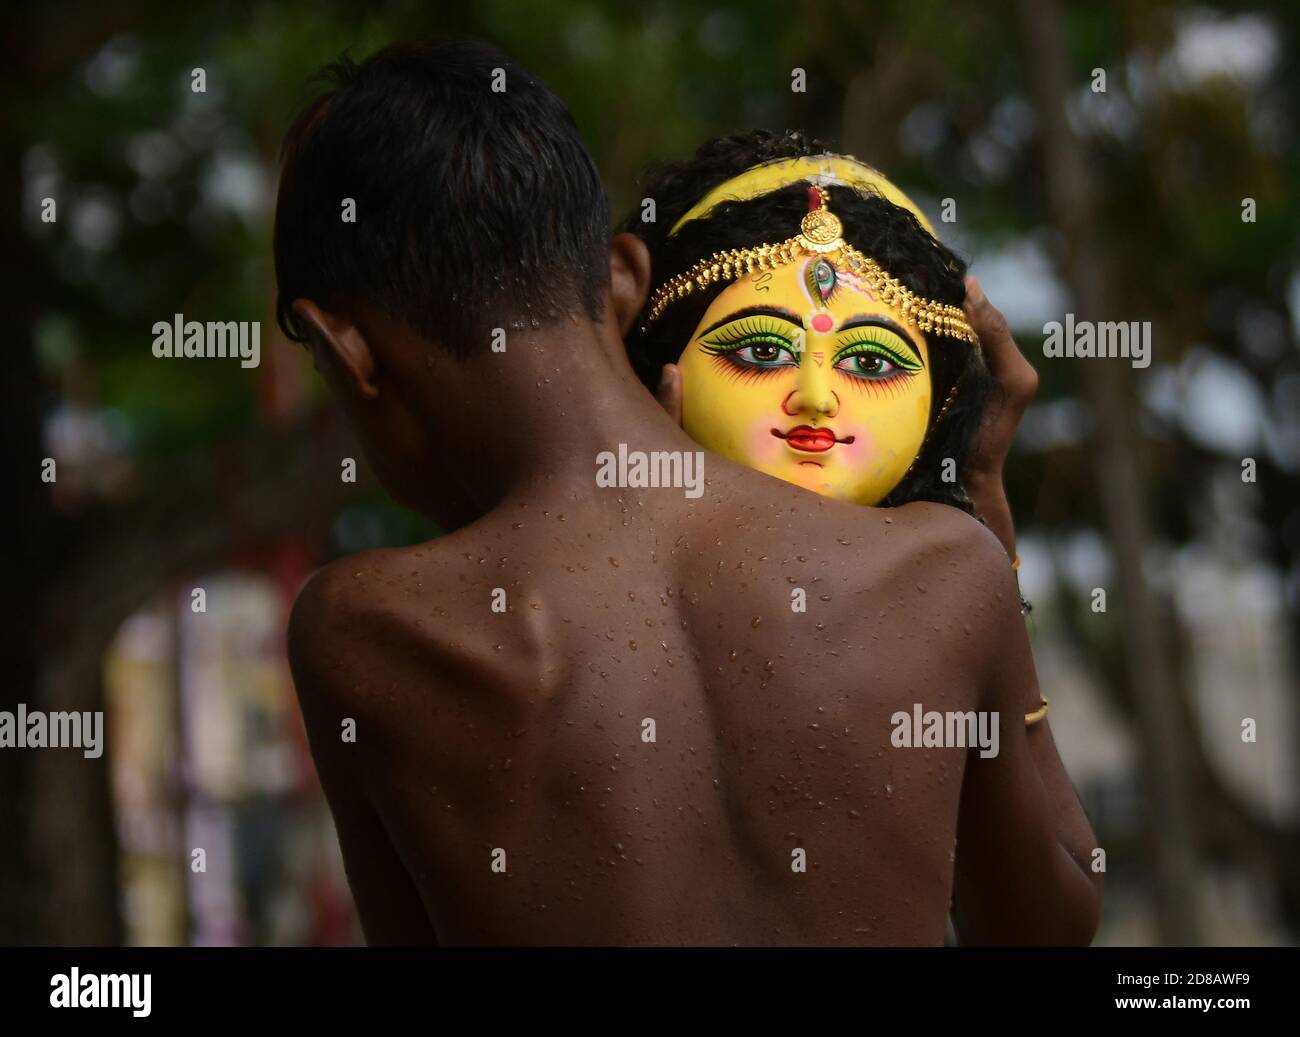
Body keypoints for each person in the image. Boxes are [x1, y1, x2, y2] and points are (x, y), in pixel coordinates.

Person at [275, 38, 1102, 945]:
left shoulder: (364, 636)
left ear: (347, 351)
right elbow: (1048, 928)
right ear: (624, 277)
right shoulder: (943, 573)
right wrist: (985, 509)